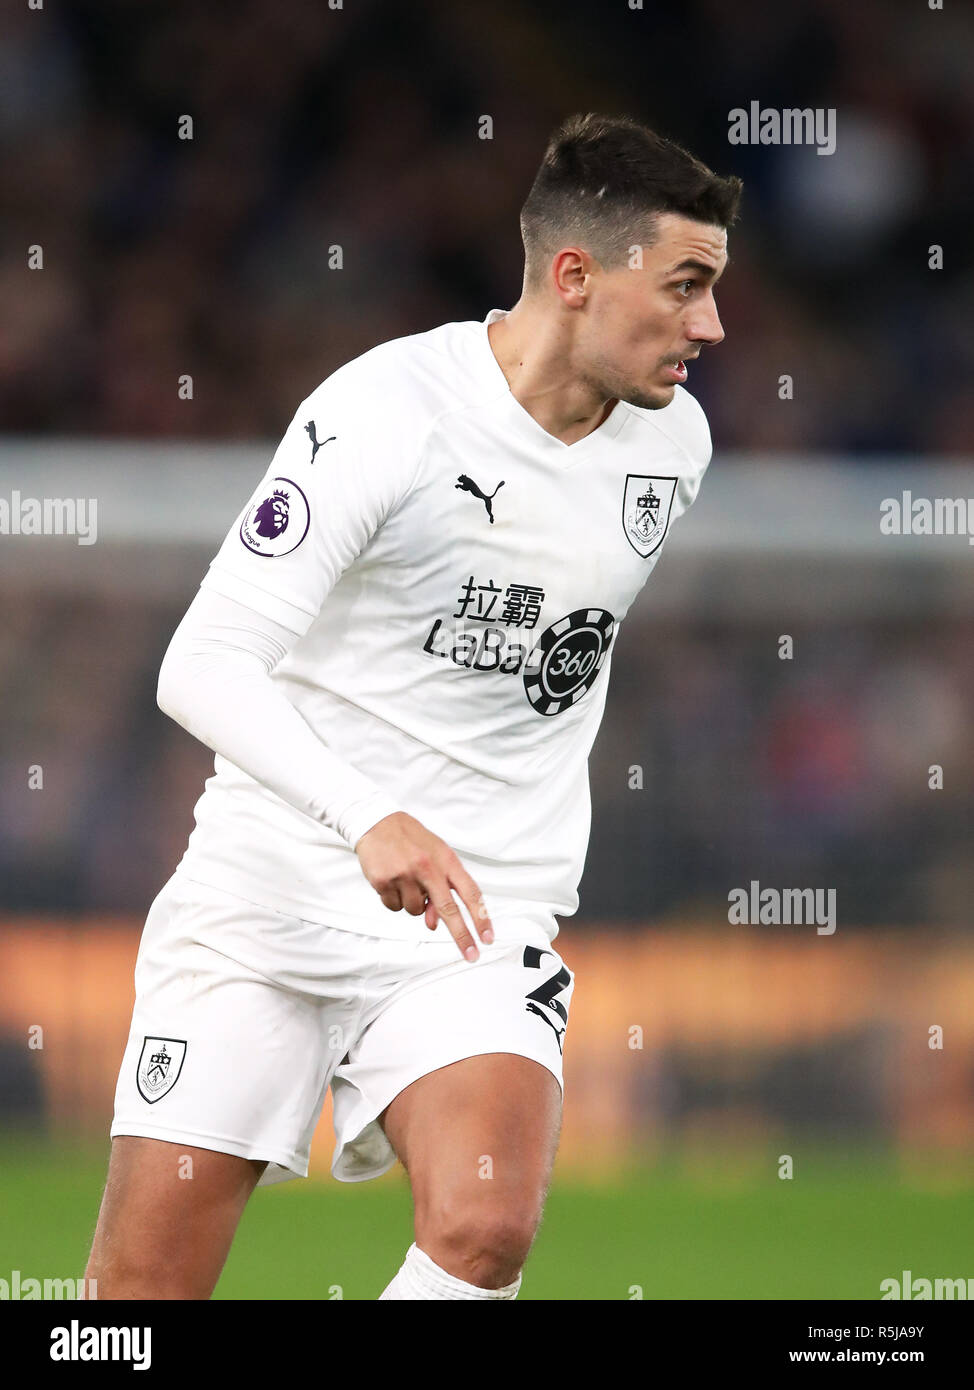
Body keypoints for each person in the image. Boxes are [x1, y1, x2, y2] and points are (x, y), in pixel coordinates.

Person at [85, 112, 740, 1300]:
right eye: (686, 285)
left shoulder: (672, 444)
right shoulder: (388, 412)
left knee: (485, 1227)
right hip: (270, 890)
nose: (711, 326)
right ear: (575, 275)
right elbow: (204, 661)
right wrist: (365, 812)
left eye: (716, 289)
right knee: (136, 1302)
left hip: (476, 912)